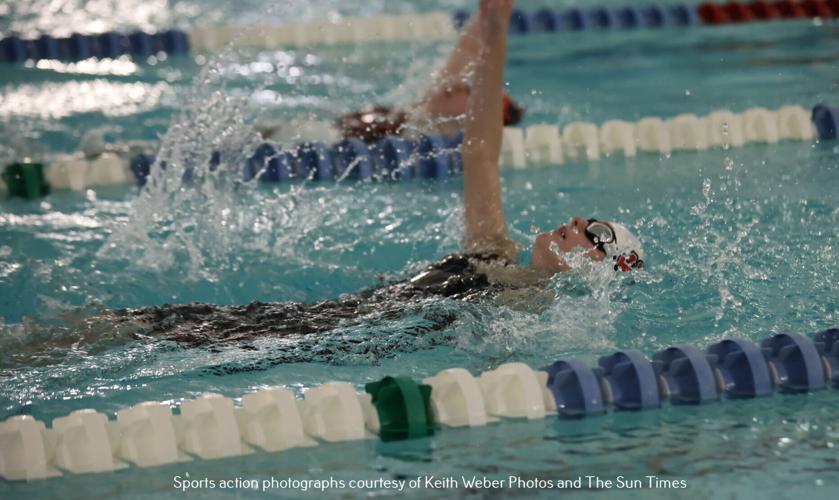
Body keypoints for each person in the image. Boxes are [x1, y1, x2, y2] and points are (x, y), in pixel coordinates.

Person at [334, 5, 525, 143]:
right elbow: (469, 47)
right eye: (469, 86)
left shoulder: (436, 133)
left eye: (470, 95)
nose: (461, 85)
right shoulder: (428, 108)